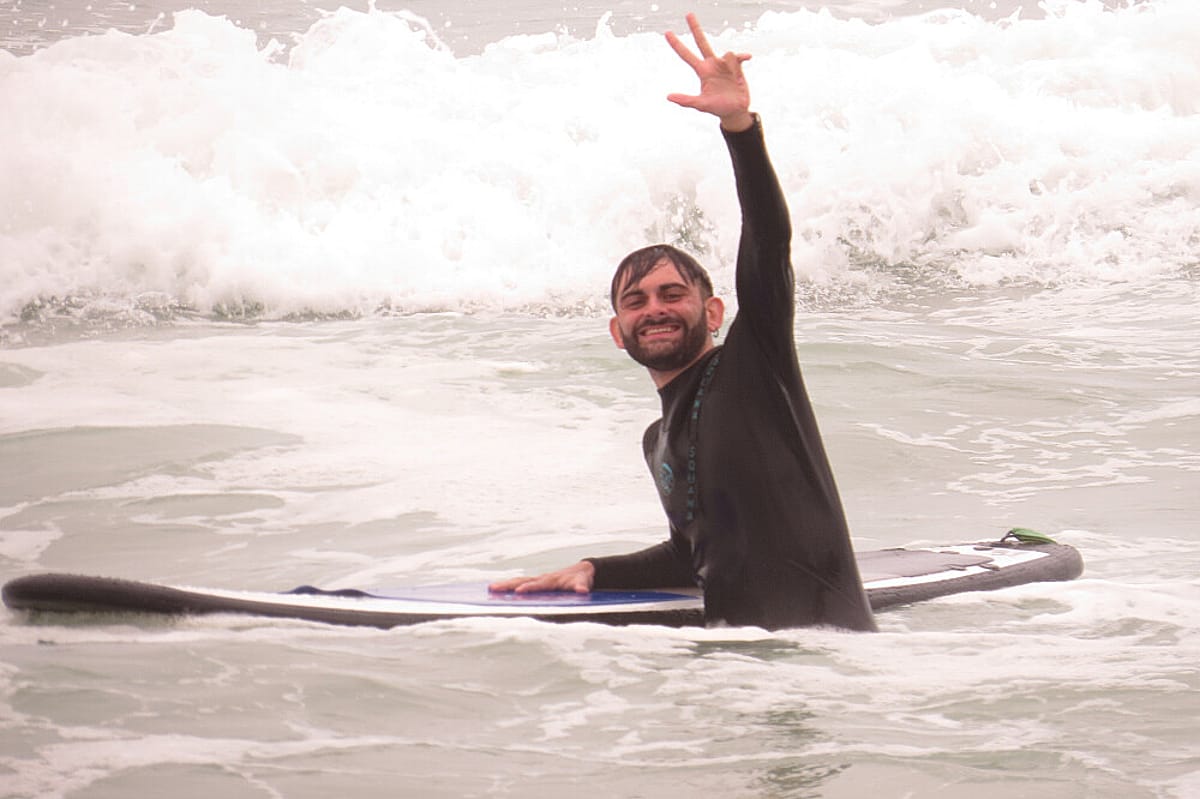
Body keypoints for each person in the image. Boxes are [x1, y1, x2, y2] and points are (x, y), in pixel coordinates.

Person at [489, 14, 876, 632]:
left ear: (714, 311)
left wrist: (739, 129)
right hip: (736, 667)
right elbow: (693, 555)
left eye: (673, 293)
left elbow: (767, 242)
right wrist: (597, 569)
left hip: (827, 653)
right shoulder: (658, 439)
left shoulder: (754, 368)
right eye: (635, 301)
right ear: (617, 332)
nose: (655, 309)